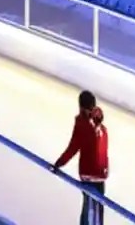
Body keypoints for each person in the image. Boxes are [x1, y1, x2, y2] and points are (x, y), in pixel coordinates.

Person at [53, 90, 109, 225]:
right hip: (100, 174)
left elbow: (73, 147)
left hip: (90, 174)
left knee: (90, 209)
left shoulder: (83, 125)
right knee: (94, 210)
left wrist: (58, 164)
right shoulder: (101, 126)